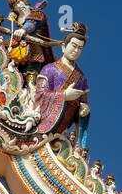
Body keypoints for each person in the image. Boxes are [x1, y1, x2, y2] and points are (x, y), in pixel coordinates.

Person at [34, 22, 90, 151]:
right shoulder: (50, 69)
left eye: (80, 48)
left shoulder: (81, 78)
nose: (76, 51)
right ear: (64, 47)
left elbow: (84, 103)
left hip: (61, 133)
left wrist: (84, 110)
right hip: (44, 124)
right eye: (74, 46)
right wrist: (64, 96)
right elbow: (40, 94)